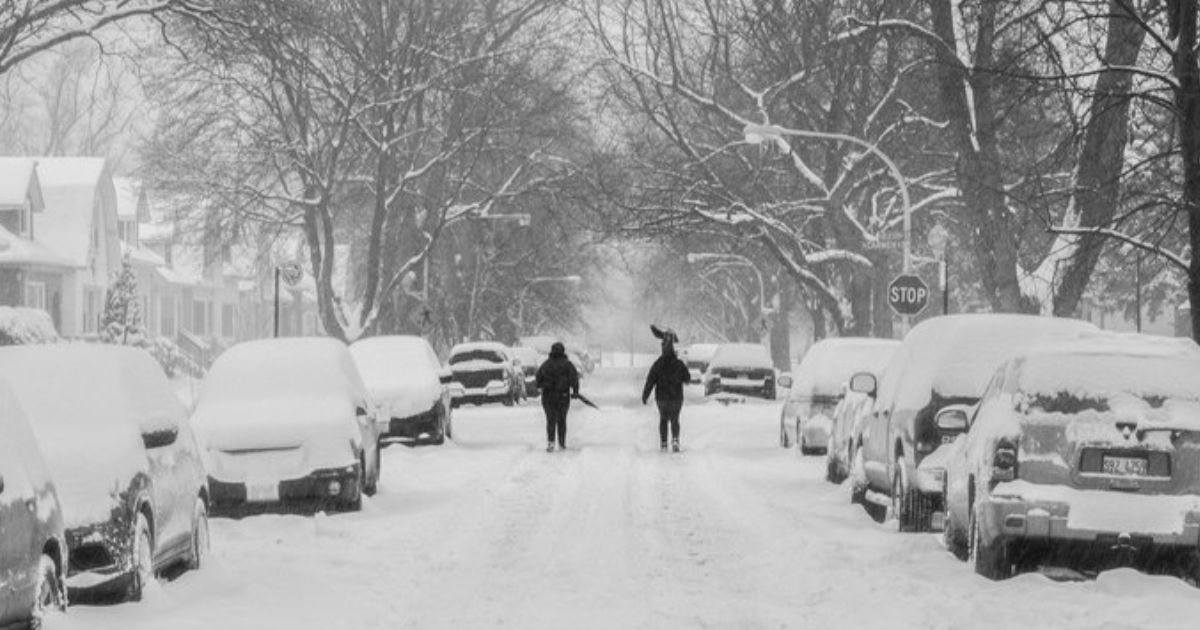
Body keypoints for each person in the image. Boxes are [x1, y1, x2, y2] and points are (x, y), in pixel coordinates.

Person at [642, 328, 691, 452]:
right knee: (675, 419)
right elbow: (687, 378)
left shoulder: (658, 364)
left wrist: (645, 395)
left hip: (662, 398)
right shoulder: (679, 364)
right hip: (676, 398)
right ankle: (675, 441)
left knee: (663, 419)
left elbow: (650, 380)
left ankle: (664, 444)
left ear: (662, 348)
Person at [536, 341, 579, 452]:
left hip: (548, 397)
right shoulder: (568, 365)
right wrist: (575, 392)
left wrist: (545, 384)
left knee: (550, 420)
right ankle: (561, 442)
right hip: (563, 396)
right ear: (563, 351)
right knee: (561, 420)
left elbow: (538, 381)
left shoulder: (545, 364)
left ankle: (551, 443)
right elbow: (574, 379)